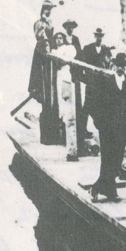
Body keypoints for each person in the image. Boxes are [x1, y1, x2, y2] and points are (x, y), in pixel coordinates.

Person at [88, 52, 126, 202]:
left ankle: (106, 189)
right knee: (107, 159)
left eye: (123, 66)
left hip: (122, 128)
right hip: (107, 128)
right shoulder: (105, 81)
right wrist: (99, 123)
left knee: (117, 159)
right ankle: (100, 188)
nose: (120, 68)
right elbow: (94, 103)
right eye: (118, 65)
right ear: (114, 65)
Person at [51, 32, 78, 160]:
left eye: (60, 38)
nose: (58, 40)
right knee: (63, 108)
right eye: (56, 38)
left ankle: (72, 150)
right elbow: (56, 60)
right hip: (60, 77)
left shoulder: (69, 48)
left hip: (66, 78)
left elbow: (67, 59)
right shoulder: (54, 50)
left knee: (69, 112)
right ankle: (69, 146)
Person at [78, 28, 109, 139]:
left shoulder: (106, 49)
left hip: (102, 83)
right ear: (94, 36)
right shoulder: (88, 48)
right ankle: (82, 130)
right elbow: (81, 62)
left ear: (102, 37)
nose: (99, 38)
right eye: (97, 36)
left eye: (101, 36)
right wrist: (85, 77)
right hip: (91, 82)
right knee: (87, 104)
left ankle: (101, 127)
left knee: (100, 104)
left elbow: (109, 64)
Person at [28, 0, 57, 104]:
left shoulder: (49, 22)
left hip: (48, 50)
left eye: (50, 10)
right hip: (41, 49)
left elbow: (51, 36)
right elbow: (41, 36)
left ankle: (47, 94)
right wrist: (47, 47)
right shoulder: (39, 23)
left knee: (48, 71)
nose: (48, 12)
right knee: (39, 70)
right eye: (47, 9)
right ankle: (38, 91)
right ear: (43, 10)